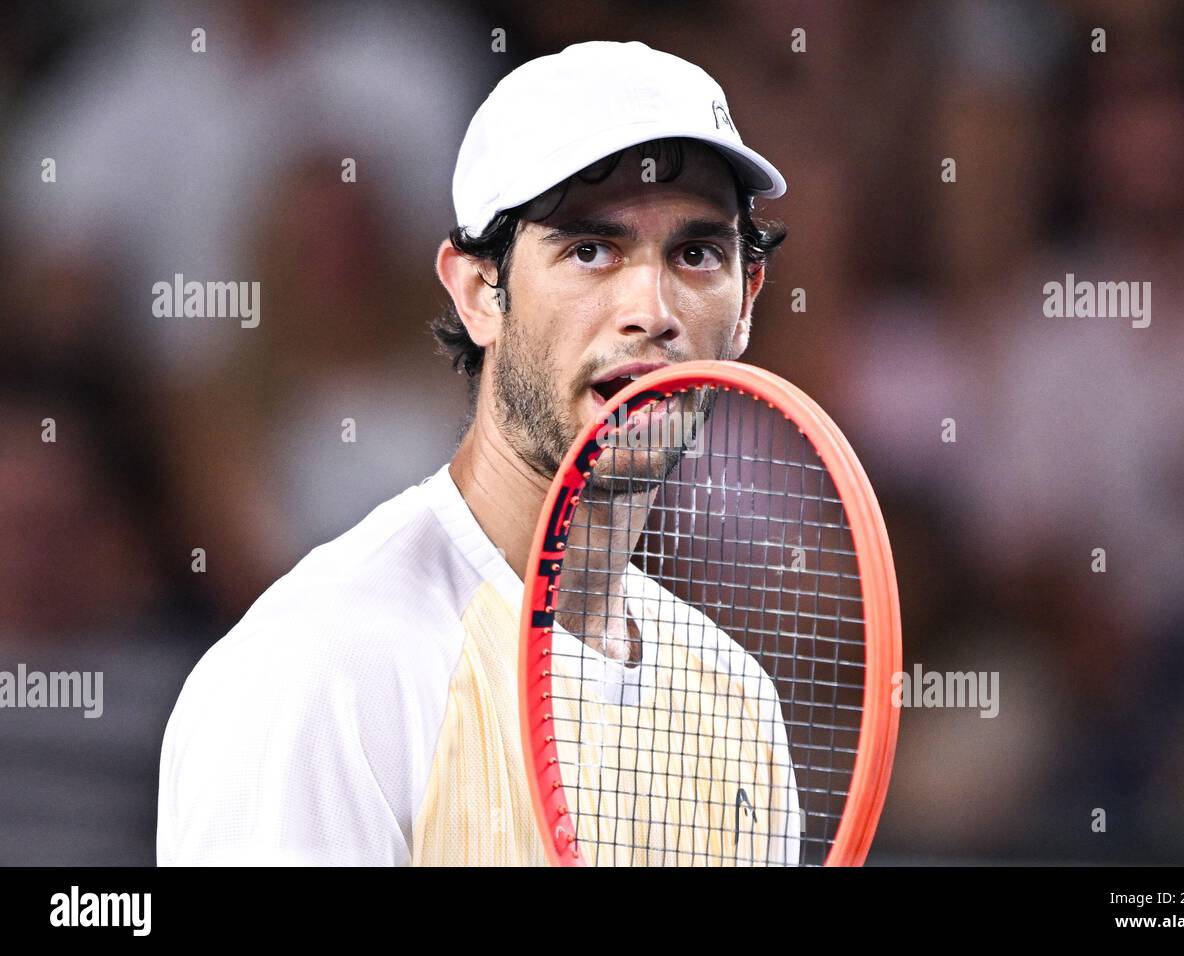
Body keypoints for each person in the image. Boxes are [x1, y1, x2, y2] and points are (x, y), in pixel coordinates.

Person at [157, 40, 796, 865]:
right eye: (589, 250)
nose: (653, 309)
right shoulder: (320, 671)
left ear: (745, 302)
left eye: (696, 253)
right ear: (475, 295)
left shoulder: (735, 698)